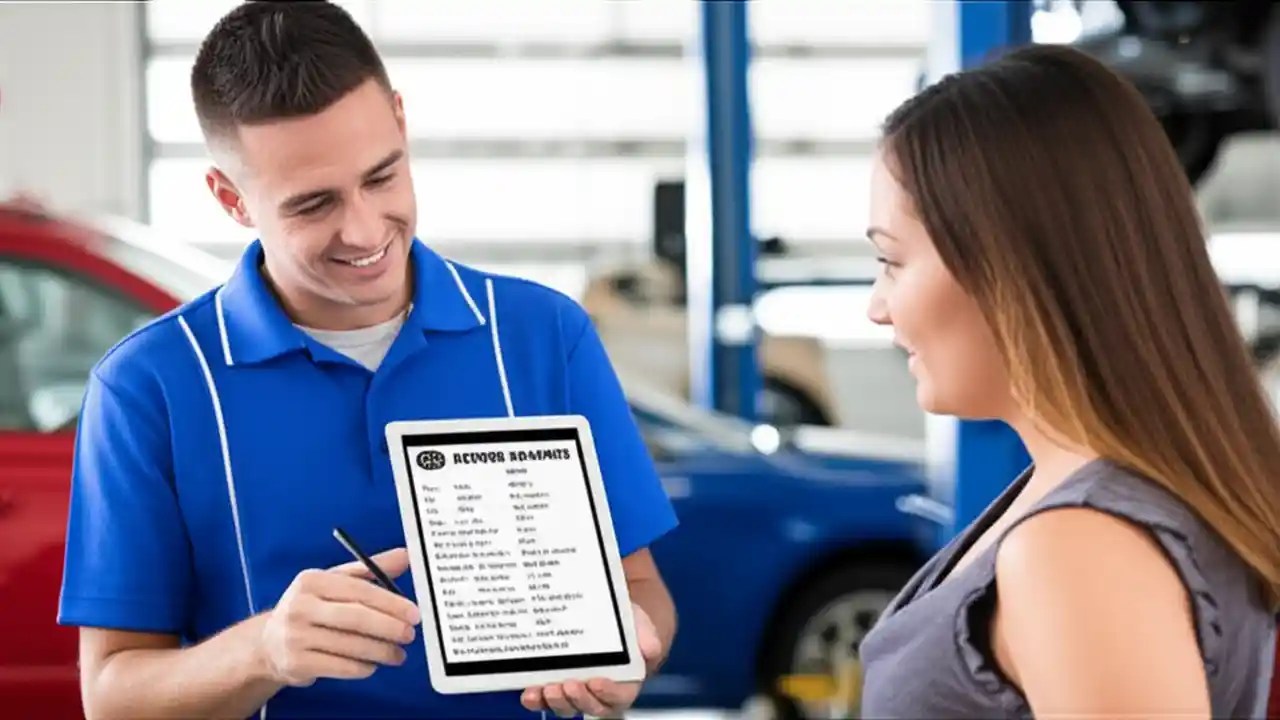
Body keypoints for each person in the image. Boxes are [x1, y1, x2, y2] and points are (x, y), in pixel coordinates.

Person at [56, 2, 677, 719]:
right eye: (313, 204)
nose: (364, 229)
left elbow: (641, 590)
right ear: (231, 199)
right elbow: (111, 697)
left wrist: (634, 648)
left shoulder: (545, 336)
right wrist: (264, 652)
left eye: (381, 177)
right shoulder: (148, 387)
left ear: (402, 124)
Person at [856, 43, 1280, 718]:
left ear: (1006, 265)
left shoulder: (1080, 547)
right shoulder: (1080, 502)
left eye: (891, 261)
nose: (877, 306)